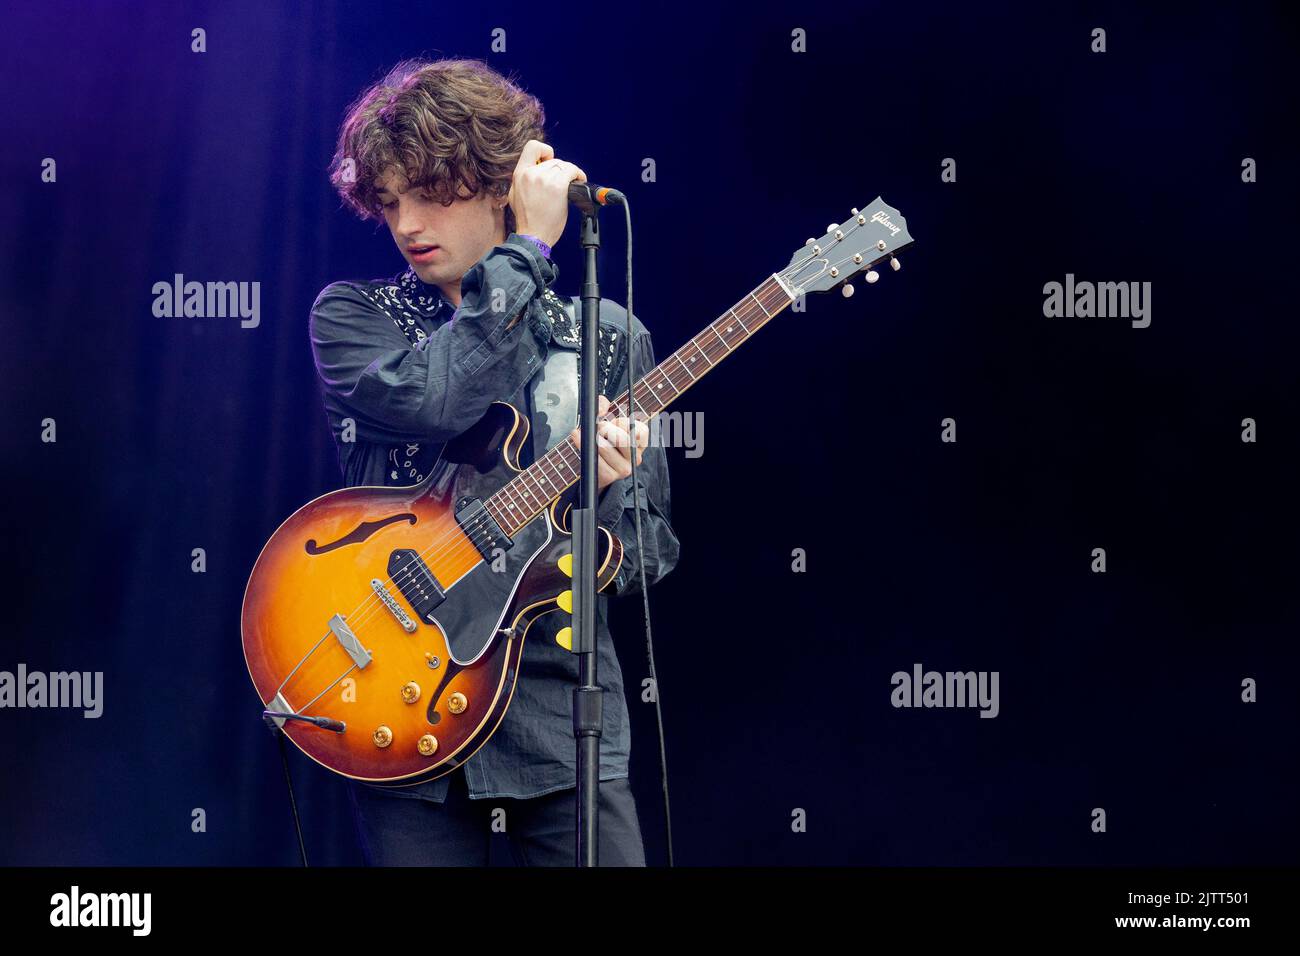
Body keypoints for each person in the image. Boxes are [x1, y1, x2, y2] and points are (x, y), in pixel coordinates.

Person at [308, 57, 680, 866]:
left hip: (558, 719)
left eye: (431, 193)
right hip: (397, 704)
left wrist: (606, 497)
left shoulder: (609, 335)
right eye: (389, 200)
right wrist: (529, 248)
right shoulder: (354, 317)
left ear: (499, 183)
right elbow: (436, 400)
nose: (406, 223)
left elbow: (648, 556)